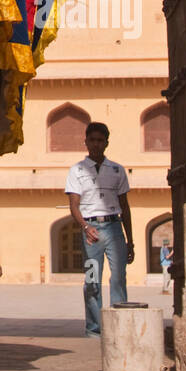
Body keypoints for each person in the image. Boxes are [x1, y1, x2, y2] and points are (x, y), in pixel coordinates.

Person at [65, 122, 135, 337]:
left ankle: (118, 327)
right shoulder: (76, 170)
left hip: (114, 229)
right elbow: (74, 205)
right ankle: (94, 330)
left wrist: (129, 240)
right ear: (85, 142)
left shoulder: (116, 170)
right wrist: (85, 227)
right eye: (92, 140)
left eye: (100, 140)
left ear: (106, 143)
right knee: (92, 280)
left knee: (118, 277)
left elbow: (125, 206)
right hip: (91, 232)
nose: (96, 144)